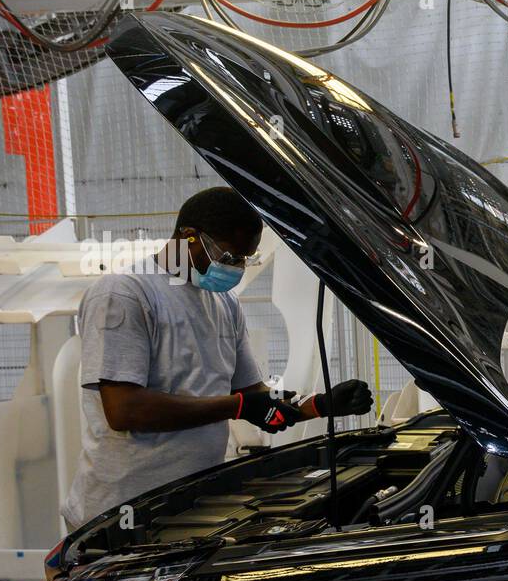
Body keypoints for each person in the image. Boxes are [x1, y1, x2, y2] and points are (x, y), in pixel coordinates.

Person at [61, 186, 371, 530]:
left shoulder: (224, 304)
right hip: (124, 511)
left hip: (194, 502)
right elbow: (125, 410)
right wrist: (236, 406)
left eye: (244, 259)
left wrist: (318, 406)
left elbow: (254, 398)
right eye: (229, 257)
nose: (236, 267)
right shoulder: (126, 293)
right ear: (189, 237)